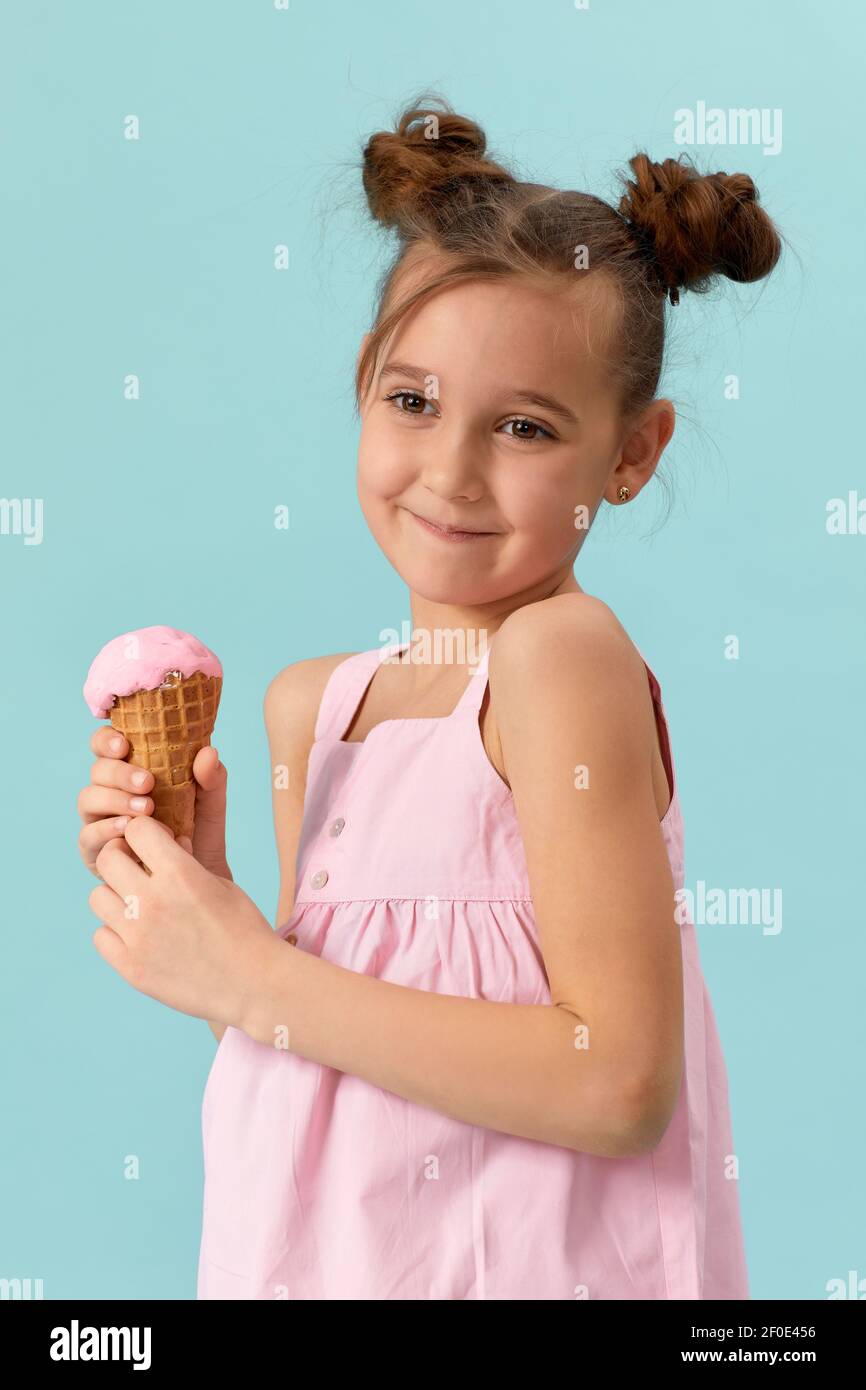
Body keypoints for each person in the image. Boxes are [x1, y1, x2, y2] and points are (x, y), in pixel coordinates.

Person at [78, 93, 782, 1299]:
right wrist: (213, 927)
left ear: (629, 454)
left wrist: (256, 974)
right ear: (363, 386)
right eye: (412, 402)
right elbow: (327, 1064)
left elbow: (615, 1083)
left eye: (521, 425)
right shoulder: (319, 708)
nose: (449, 471)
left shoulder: (559, 659)